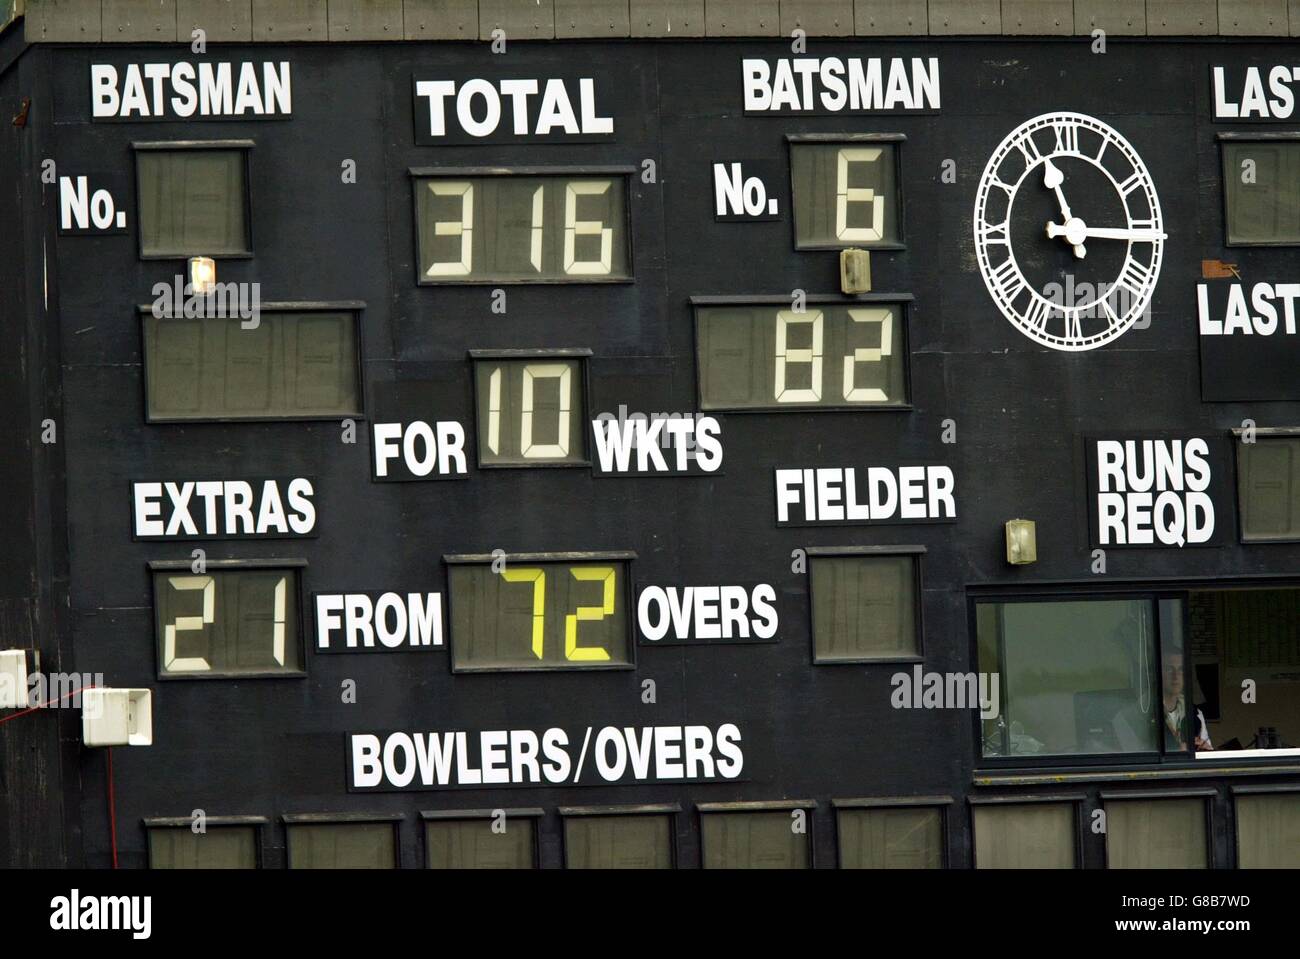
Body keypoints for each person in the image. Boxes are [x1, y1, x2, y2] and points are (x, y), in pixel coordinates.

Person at [1163, 651, 1212, 752]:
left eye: (1181, 670)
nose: (1175, 676)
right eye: (1169, 669)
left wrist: (1206, 750)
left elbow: (1207, 750)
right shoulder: (1143, 712)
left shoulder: (1195, 713)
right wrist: (1177, 751)